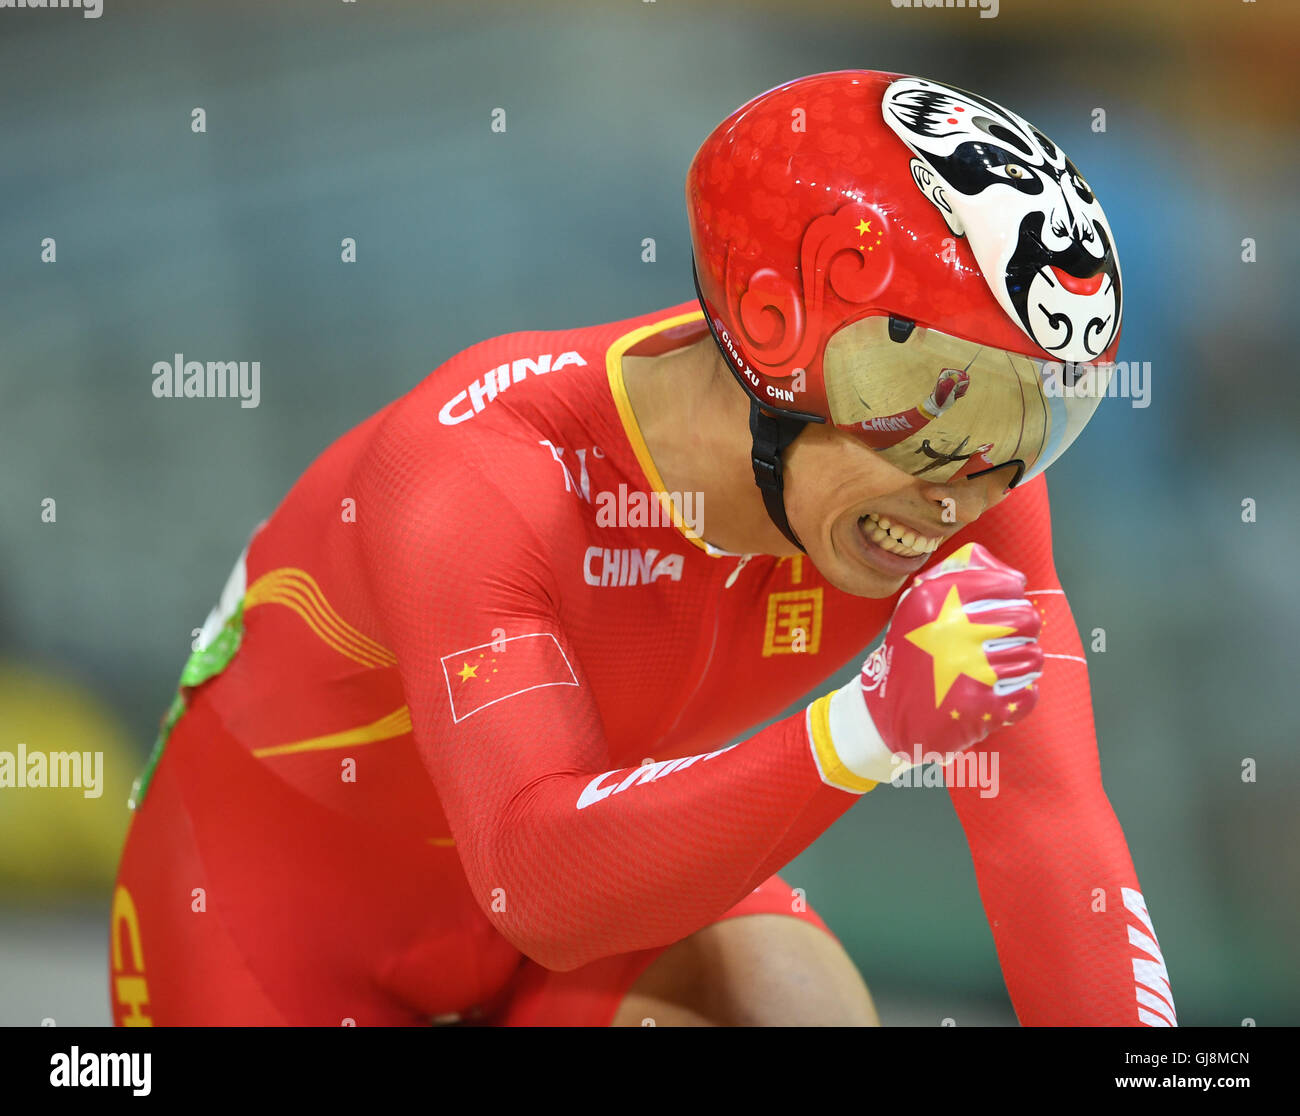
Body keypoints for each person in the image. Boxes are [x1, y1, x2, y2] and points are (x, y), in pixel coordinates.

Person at [109, 70, 1176, 1027]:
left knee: (793, 1004)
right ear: (768, 334)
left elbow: (1049, 832)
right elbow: (538, 885)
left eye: (1034, 417)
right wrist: (864, 728)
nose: (968, 488)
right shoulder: (477, 474)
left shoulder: (960, 475)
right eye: (934, 403)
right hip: (276, 924)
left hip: (603, 881)